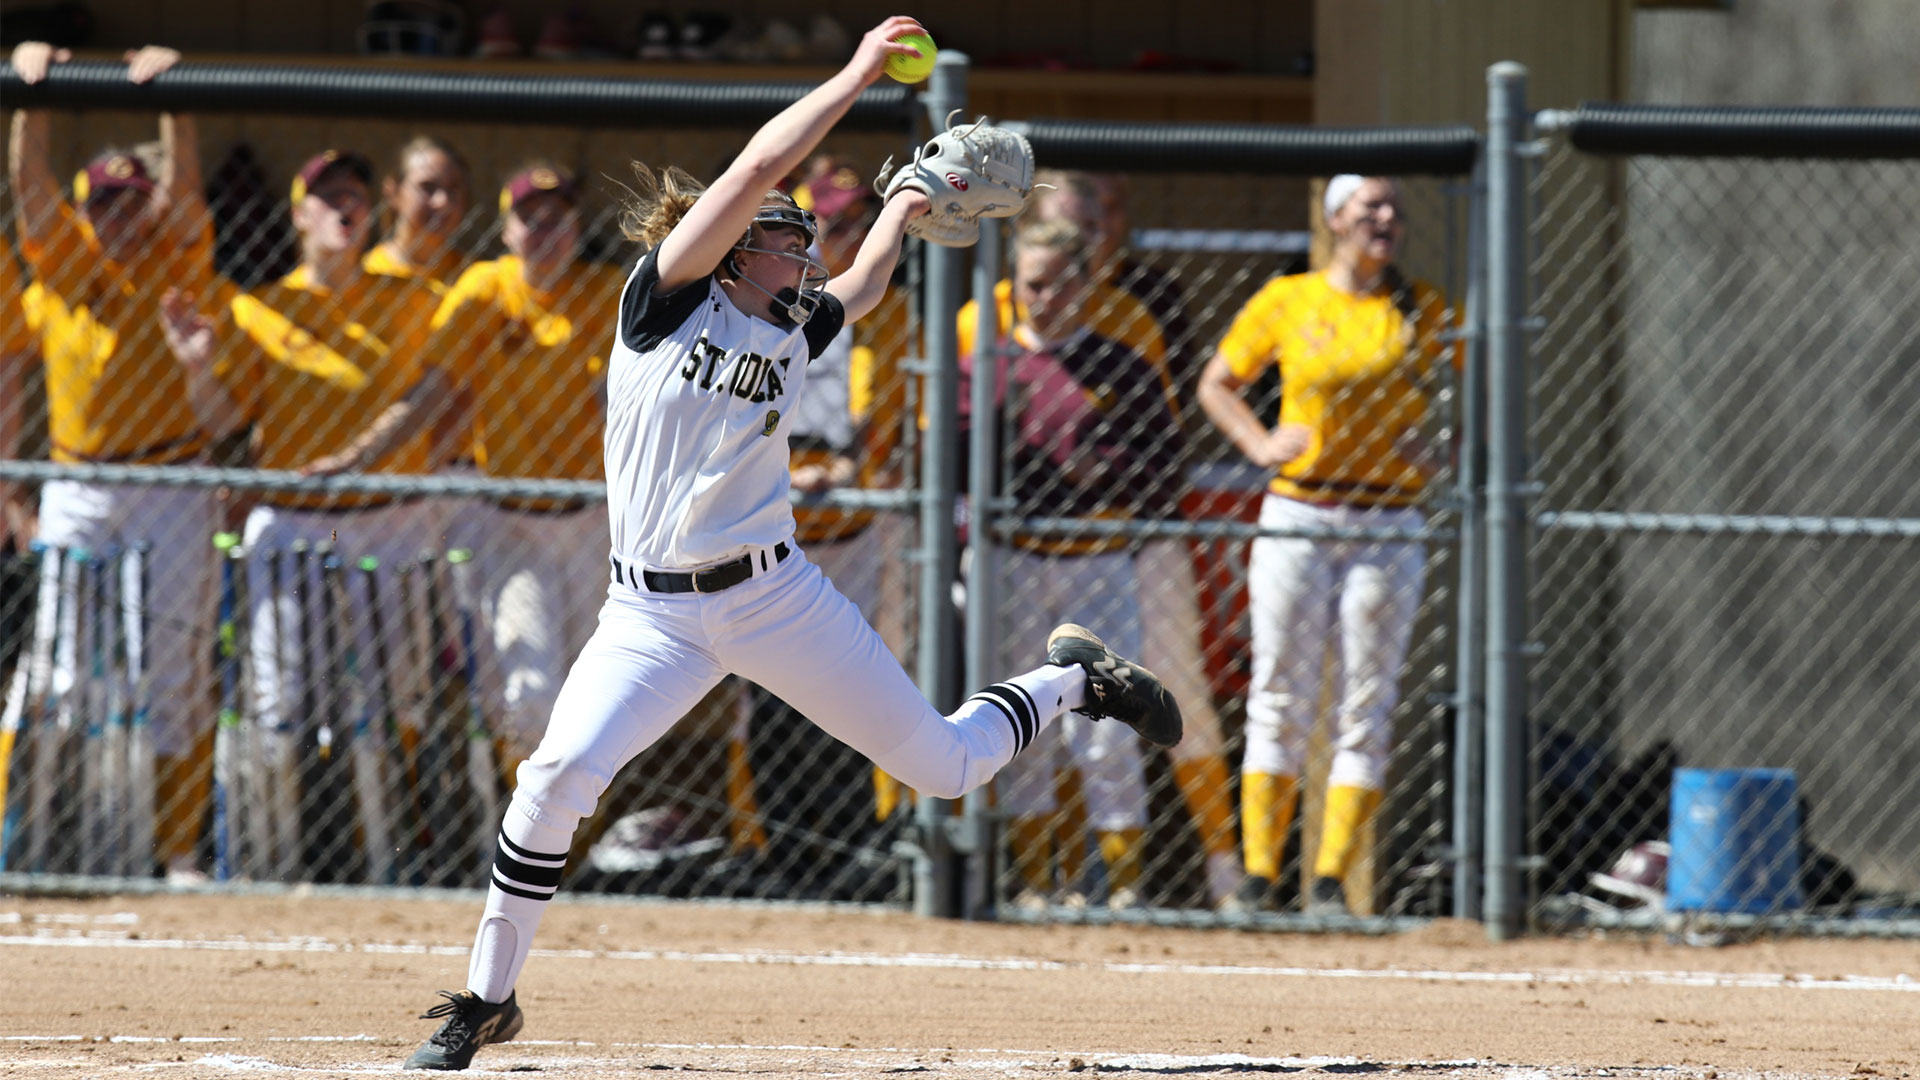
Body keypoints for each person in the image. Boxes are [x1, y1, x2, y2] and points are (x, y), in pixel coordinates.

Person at [399, 17, 1180, 1070]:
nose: (806, 247)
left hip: (777, 599)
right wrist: (860, 73)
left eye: (807, 236)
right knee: (552, 780)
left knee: (944, 768)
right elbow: (764, 161)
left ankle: (1069, 686)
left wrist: (903, 205)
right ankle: (484, 1002)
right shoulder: (664, 303)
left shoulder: (789, 325)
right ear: (737, 246)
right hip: (652, 617)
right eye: (789, 235)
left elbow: (856, 291)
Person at [159, 147, 453, 881]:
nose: (341, 208)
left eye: (353, 195)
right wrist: (197, 367)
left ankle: (398, 858)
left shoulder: (412, 296)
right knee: (283, 698)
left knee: (398, 697)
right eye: (323, 197)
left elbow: (445, 389)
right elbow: (228, 416)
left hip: (389, 516)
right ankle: (276, 862)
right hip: (294, 519)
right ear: (297, 213)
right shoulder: (263, 305)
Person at [1195, 175, 1453, 916]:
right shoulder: (1291, 298)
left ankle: (1333, 879)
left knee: (1366, 700)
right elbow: (1219, 382)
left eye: (1394, 209)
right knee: (1280, 689)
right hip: (1301, 511)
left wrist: (1447, 448)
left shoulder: (1424, 307)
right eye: (1369, 206)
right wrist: (1259, 441)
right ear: (1335, 219)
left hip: (1388, 517)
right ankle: (1259, 875)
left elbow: (1480, 391)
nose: (1385, 218)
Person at [6, 41, 224, 884]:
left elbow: (190, 193)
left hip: (170, 477)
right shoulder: (64, 265)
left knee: (168, 670)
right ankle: (38, 843)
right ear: (88, 209)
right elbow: (29, 184)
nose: (121, 219)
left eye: (133, 204)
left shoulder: (172, 262)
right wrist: (35, 88)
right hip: (77, 481)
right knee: (60, 676)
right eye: (107, 205)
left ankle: (176, 853)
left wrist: (173, 97)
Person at [1029, 170, 1242, 909]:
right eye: (1077, 217)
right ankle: (1055, 878)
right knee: (1047, 705)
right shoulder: (996, 309)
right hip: (1031, 544)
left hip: (1141, 534)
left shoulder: (1146, 298)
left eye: (1109, 211)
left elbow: (1165, 428)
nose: (1098, 228)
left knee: (1173, 690)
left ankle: (1223, 871)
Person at [957, 219, 1178, 911]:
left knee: (1107, 732)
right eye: (1032, 285)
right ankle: (1035, 885)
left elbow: (1165, 473)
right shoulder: (988, 365)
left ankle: (1124, 888)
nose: (1044, 298)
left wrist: (1102, 473)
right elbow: (953, 460)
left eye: (1059, 284)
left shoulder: (1121, 365)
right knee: (1024, 724)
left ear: (1086, 287)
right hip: (1012, 559)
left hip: (1096, 561)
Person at [718, 157, 919, 899]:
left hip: (860, 533)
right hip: (775, 532)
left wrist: (868, 470)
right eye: (828, 223)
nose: (841, 234)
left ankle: (849, 847)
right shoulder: (762, 310)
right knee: (767, 696)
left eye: (854, 222)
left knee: (850, 687)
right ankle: (774, 846)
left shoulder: (890, 314)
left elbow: (900, 428)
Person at [427, 163, 622, 779]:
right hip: (510, 521)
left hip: (593, 518)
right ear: (505, 230)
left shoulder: (605, 290)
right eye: (527, 220)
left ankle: (580, 851)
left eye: (557, 220)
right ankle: (527, 838)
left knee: (603, 694)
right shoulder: (486, 286)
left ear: (577, 228)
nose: (543, 233)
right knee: (529, 693)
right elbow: (434, 390)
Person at [365, 135, 475, 292]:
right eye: (427, 187)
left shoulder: (474, 277)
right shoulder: (368, 272)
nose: (442, 201)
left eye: (453, 189)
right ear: (393, 192)